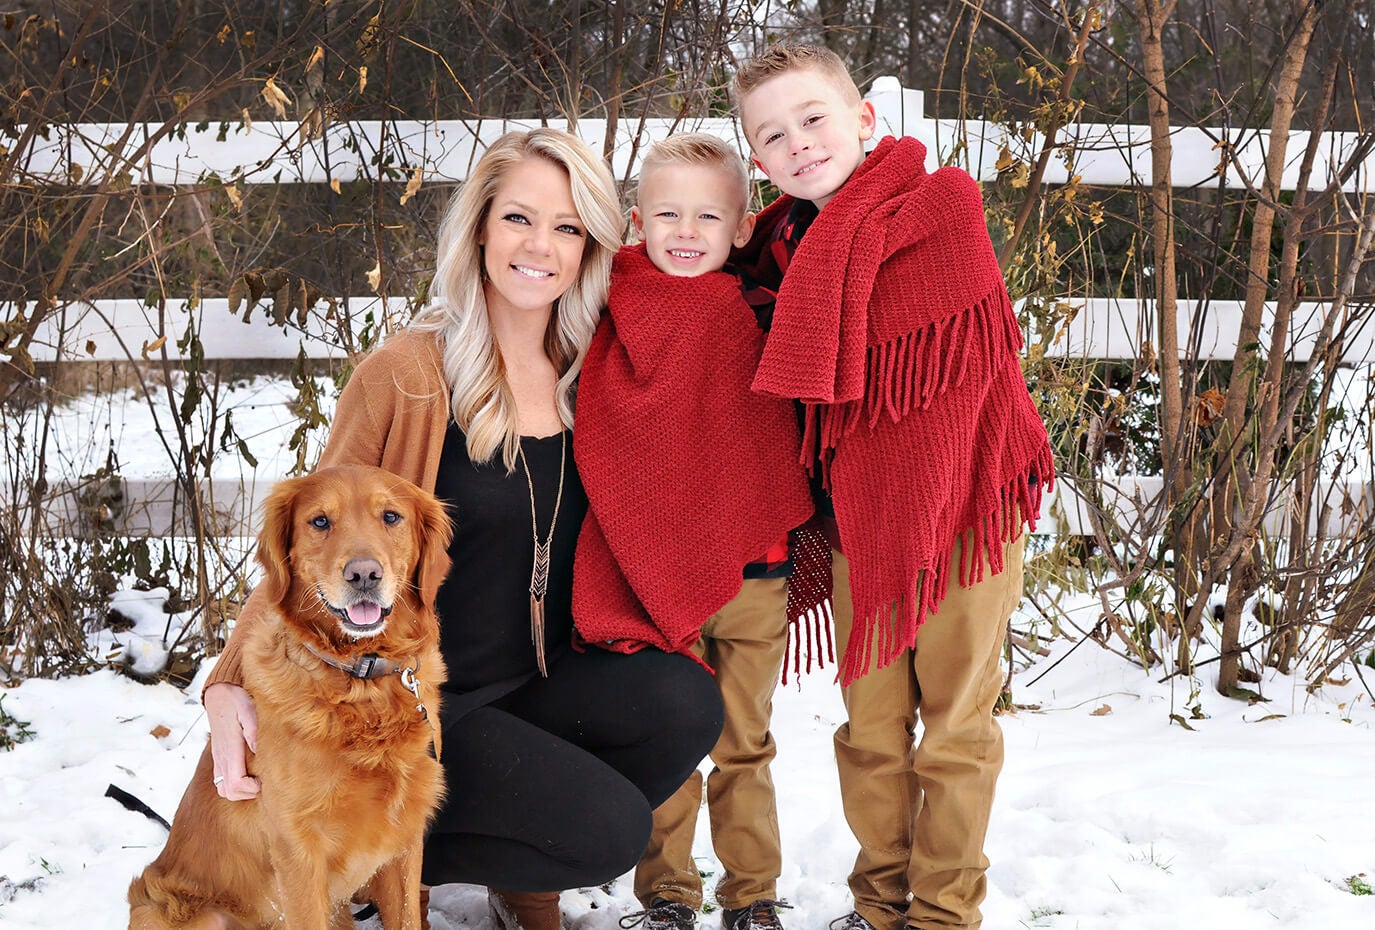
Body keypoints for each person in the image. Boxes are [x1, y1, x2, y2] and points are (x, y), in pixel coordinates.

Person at [201, 127, 726, 930]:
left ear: (591, 244)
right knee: (606, 830)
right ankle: (368, 861)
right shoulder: (408, 376)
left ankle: (508, 878)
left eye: (567, 226)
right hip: (419, 704)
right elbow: (311, 538)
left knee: (684, 702)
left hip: (540, 681)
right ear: (480, 225)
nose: (540, 247)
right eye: (519, 218)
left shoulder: (597, 369)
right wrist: (226, 684)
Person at [729, 44, 1057, 930]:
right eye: (773, 135)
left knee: (954, 727)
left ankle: (944, 913)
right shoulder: (776, 251)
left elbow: (963, 377)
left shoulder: (938, 209)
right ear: (758, 160)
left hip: (964, 509)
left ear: (863, 121)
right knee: (870, 731)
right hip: (855, 529)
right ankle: (880, 905)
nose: (799, 143)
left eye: (813, 119)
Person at [571, 133, 811, 930]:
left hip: (755, 571)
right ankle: (667, 894)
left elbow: (777, 427)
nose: (686, 230)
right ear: (637, 220)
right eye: (668, 213)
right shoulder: (616, 308)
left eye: (708, 216)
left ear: (741, 229)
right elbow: (609, 430)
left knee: (745, 741)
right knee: (668, 741)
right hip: (650, 573)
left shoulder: (760, 313)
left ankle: (753, 895)